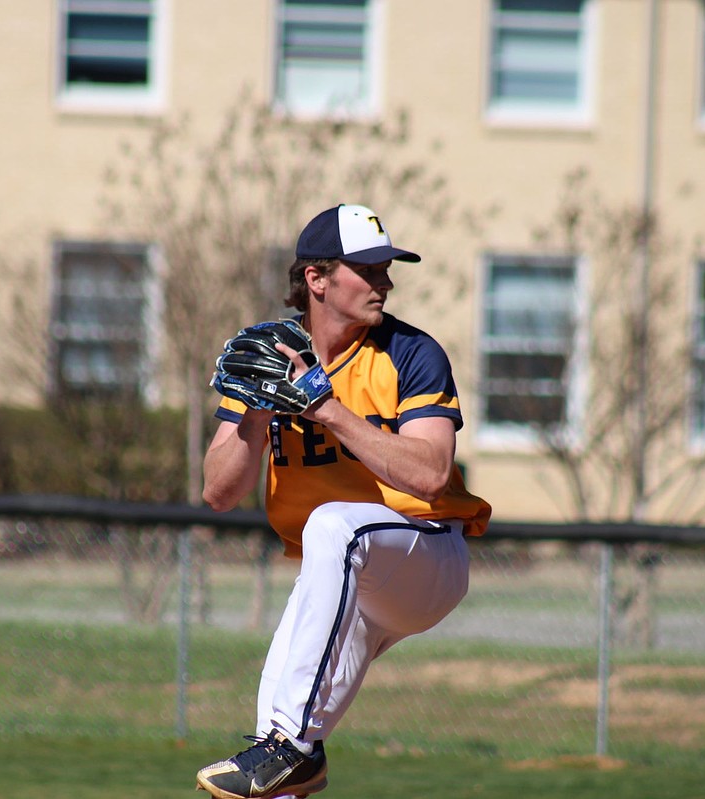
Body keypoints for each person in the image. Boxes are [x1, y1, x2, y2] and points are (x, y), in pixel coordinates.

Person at [195, 204, 491, 799]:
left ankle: (291, 750)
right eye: (369, 269)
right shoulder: (273, 352)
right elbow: (218, 492)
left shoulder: (410, 352)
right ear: (317, 279)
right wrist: (257, 408)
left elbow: (431, 475)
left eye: (386, 269)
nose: (385, 281)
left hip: (422, 556)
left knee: (331, 527)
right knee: (272, 752)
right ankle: (290, 760)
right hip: (342, 575)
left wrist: (324, 407)